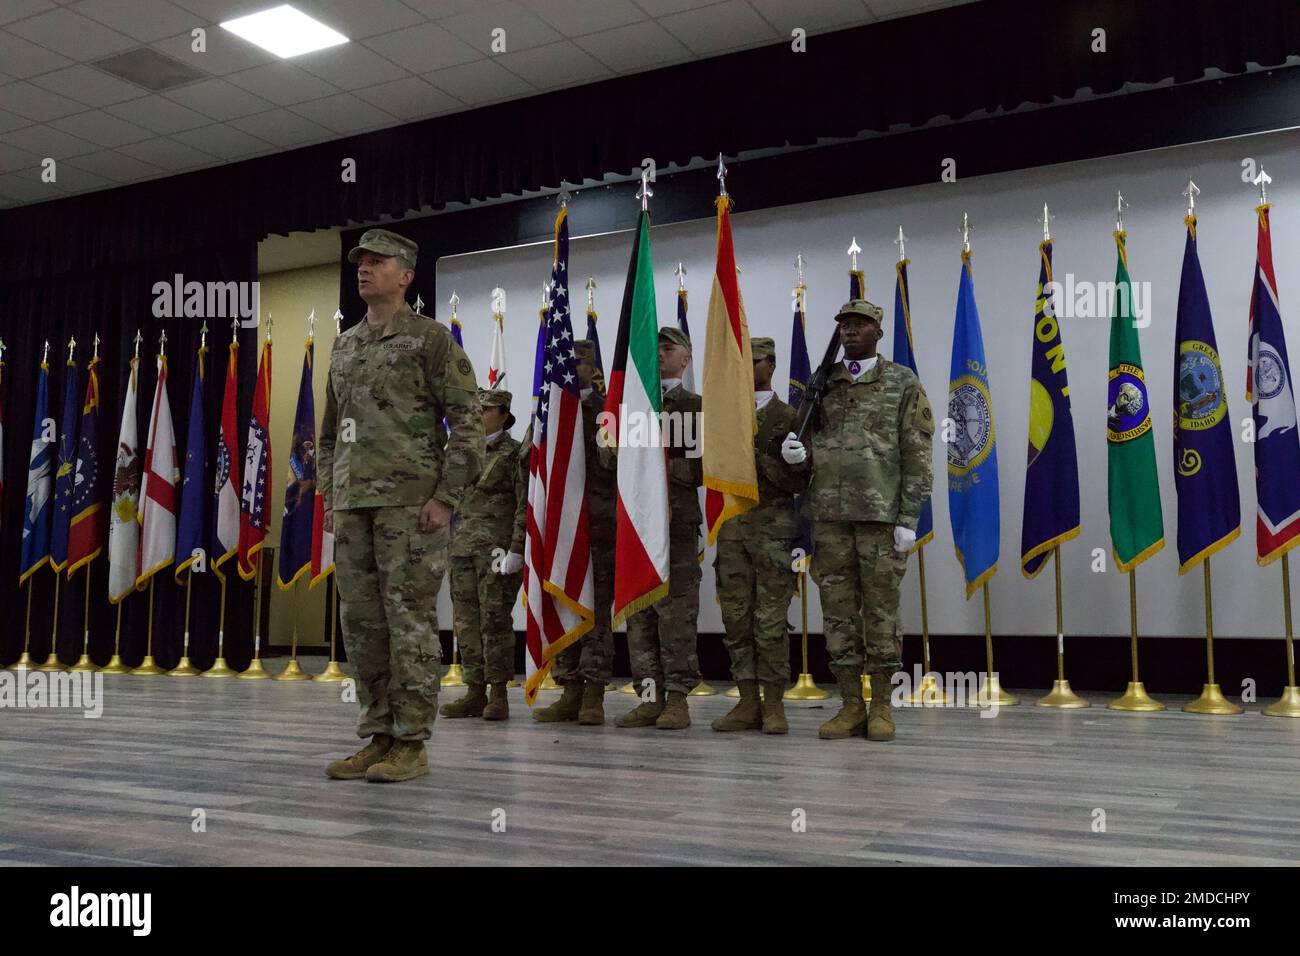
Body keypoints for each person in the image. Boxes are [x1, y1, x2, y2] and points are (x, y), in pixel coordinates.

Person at [320, 228, 484, 783]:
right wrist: (330, 493)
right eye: (360, 262)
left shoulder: (431, 340)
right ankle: (379, 735)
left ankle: (412, 744)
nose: (364, 269)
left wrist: (446, 497)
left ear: (406, 275)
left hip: (411, 510)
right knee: (362, 626)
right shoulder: (346, 345)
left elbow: (469, 426)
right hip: (352, 506)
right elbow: (326, 436)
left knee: (408, 623)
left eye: (377, 261)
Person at [781, 299, 934, 741]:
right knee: (838, 613)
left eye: (860, 324)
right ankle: (851, 705)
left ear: (878, 333)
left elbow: (917, 454)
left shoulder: (901, 382)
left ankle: (882, 706)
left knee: (882, 611)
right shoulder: (821, 384)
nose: (850, 331)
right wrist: (796, 456)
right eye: (845, 325)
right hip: (829, 516)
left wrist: (909, 517)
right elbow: (802, 448)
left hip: (881, 519)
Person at [712, 337, 808, 735]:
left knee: (770, 622)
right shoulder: (723, 417)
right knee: (736, 619)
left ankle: (773, 704)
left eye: (753, 363)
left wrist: (780, 460)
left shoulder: (792, 417)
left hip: (773, 531)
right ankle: (746, 701)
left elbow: (802, 479)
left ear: (769, 365)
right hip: (733, 531)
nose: (746, 371)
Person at [617, 326, 703, 730]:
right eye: (656, 349)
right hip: (637, 525)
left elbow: (706, 467)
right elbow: (606, 462)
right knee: (640, 614)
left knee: (676, 615)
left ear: (685, 358)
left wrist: (657, 468)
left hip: (676, 524)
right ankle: (648, 696)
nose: (661, 355)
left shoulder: (697, 407)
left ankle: (678, 699)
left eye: (669, 349)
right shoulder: (631, 406)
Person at [532, 339, 615, 725]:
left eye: (581, 361)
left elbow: (618, 471)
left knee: (595, 616)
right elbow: (533, 474)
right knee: (563, 602)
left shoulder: (607, 413)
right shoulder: (549, 415)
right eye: (570, 360)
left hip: (598, 528)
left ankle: (594, 694)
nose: (574, 366)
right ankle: (569, 690)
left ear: (591, 365)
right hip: (559, 530)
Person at [441, 388, 527, 721]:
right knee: (466, 623)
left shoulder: (514, 454)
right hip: (461, 549)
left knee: (495, 623)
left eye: (486, 409)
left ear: (503, 413)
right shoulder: (459, 451)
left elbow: (524, 506)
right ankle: (474, 689)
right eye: (474, 409)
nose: (478, 414)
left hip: (497, 552)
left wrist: (517, 549)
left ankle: (499, 692)